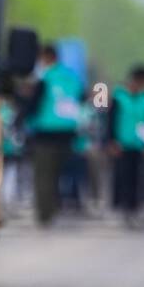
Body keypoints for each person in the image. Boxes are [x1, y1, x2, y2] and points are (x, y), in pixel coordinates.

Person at [23, 45, 83, 227]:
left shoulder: (45, 78)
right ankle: (56, 207)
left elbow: (34, 105)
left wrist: (25, 119)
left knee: (43, 175)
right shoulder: (73, 78)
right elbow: (82, 101)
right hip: (68, 134)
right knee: (58, 174)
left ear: (47, 57)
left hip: (46, 133)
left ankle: (44, 213)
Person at [107, 65, 144, 227]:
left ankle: (134, 209)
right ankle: (123, 208)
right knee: (122, 176)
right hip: (122, 144)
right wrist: (111, 141)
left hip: (140, 146)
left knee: (138, 178)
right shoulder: (119, 97)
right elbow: (110, 121)